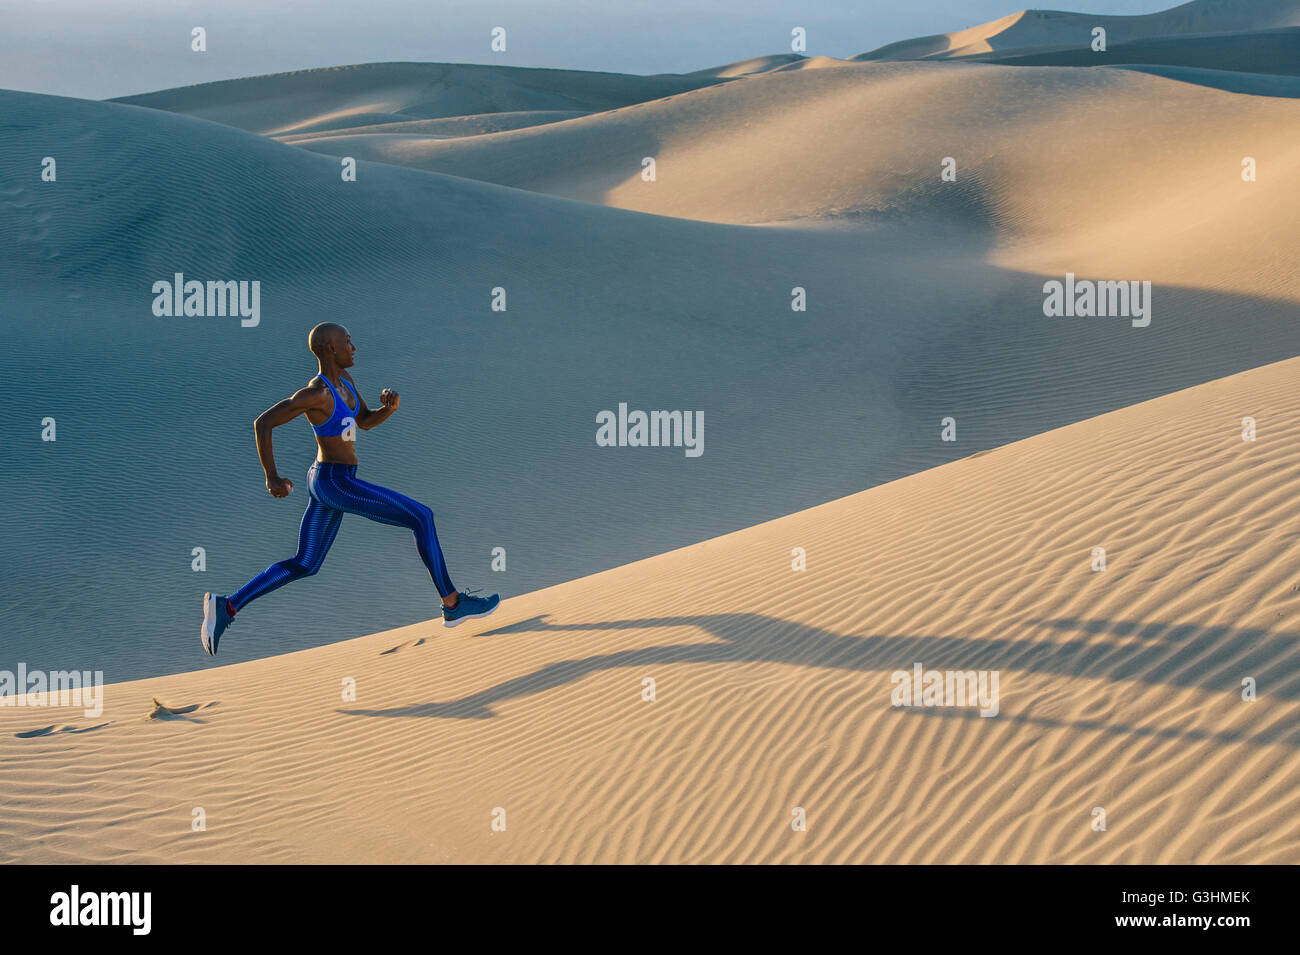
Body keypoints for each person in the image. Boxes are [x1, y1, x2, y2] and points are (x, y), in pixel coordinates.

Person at [201, 322, 499, 654]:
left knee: (306, 562)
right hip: (335, 482)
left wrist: (388, 409)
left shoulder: (345, 382)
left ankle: (227, 607)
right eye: (347, 342)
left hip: (329, 480)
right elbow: (263, 423)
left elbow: (364, 421)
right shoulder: (317, 393)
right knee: (422, 517)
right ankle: (453, 603)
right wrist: (271, 476)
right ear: (330, 349)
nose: (353, 347)